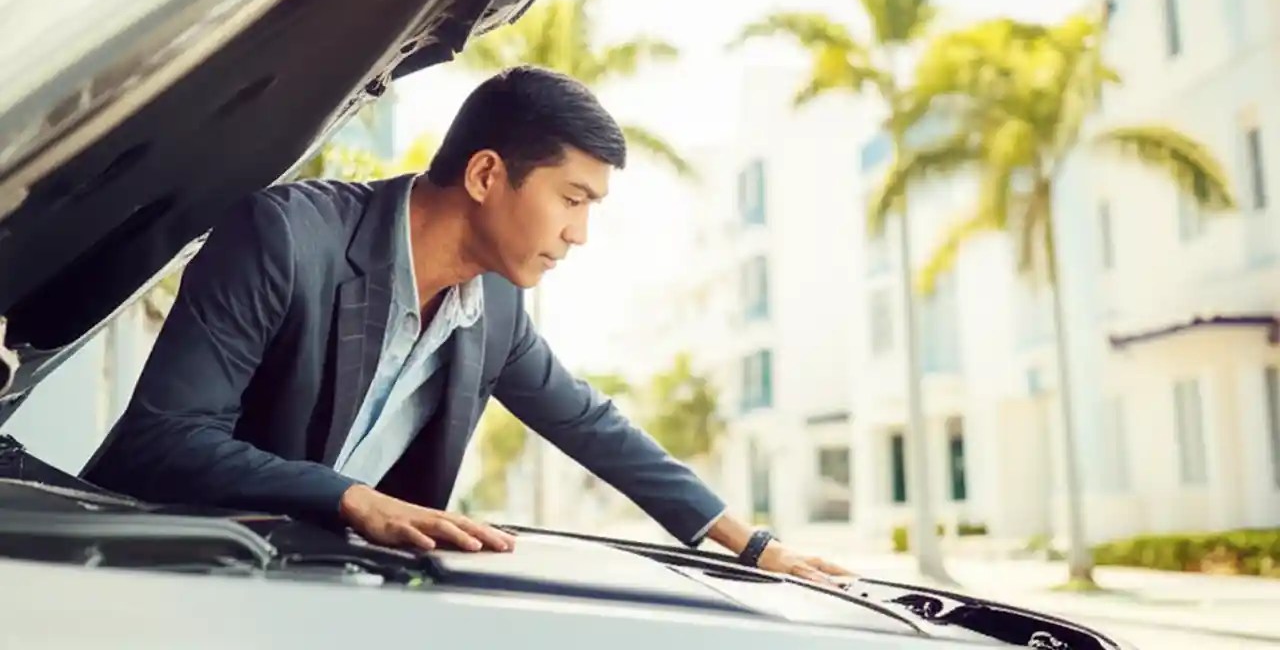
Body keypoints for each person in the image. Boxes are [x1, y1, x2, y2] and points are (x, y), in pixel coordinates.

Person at [82, 65, 851, 585]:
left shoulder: (497, 308)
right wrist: (349, 497)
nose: (579, 234)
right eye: (572, 199)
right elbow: (163, 438)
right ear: (487, 175)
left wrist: (756, 547)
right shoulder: (285, 239)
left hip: (296, 595)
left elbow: (592, 425)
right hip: (135, 577)